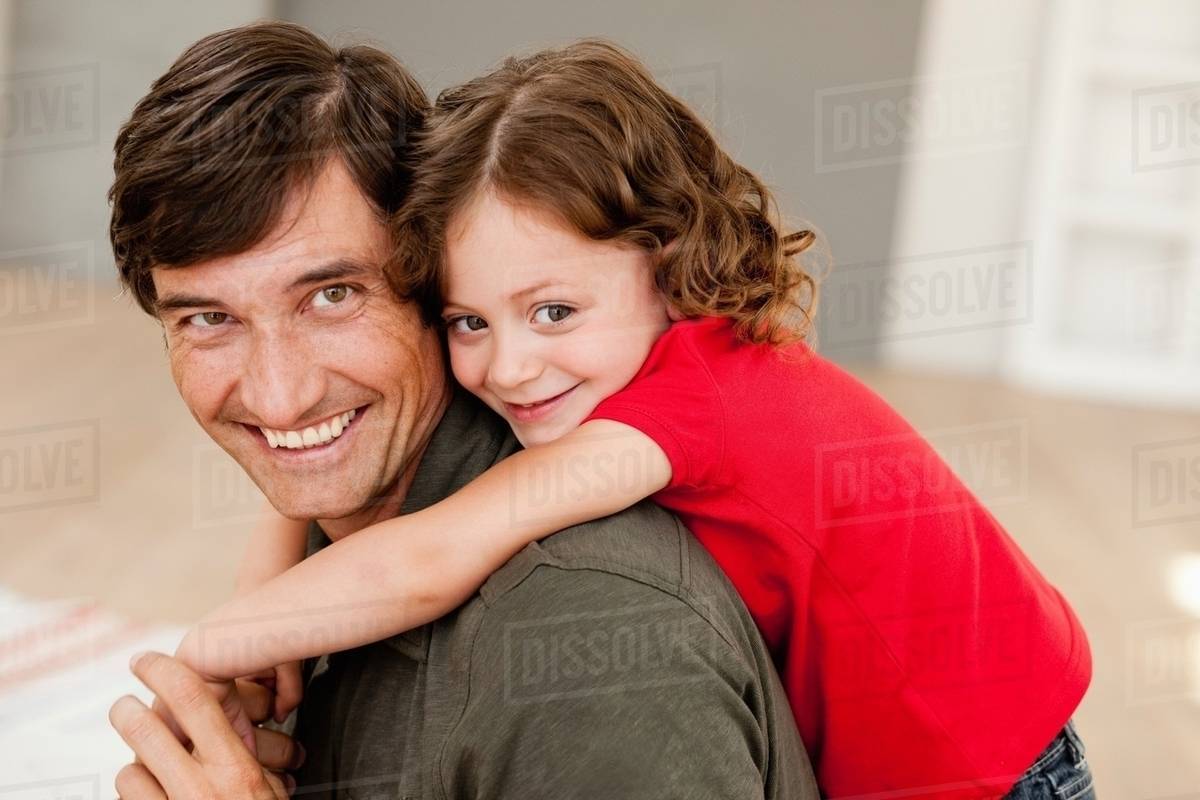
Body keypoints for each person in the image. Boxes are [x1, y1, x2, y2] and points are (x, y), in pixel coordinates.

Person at [169, 39, 1095, 800]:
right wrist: (267, 615)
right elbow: (307, 481)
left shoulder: (685, 410)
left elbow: (428, 555)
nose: (513, 365)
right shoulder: (674, 354)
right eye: (468, 322)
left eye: (554, 312)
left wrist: (215, 646)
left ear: (664, 261)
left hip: (999, 768)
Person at [105, 21, 819, 800]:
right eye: (208, 319)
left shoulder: (586, 651)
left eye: (332, 296)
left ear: (435, 284)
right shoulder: (345, 512)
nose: (281, 396)